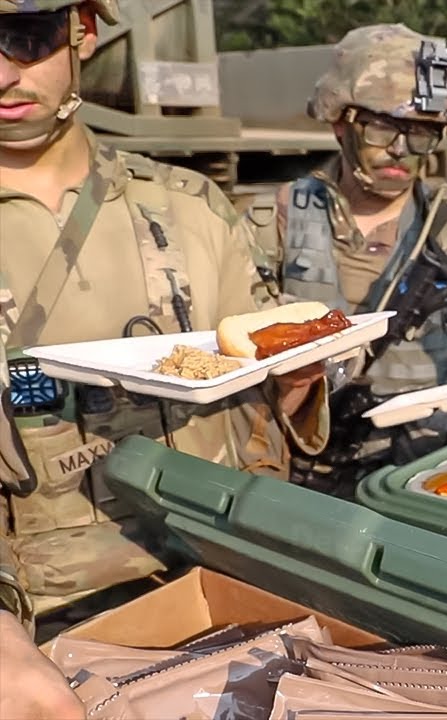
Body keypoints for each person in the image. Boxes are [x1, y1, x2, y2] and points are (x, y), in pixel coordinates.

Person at [0, 0, 328, 714]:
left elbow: (262, 425)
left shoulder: (192, 210)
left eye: (22, 38)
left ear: (81, 31)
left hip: (224, 581)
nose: (2, 72)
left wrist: (294, 390)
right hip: (48, 622)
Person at [242, 24, 447, 493]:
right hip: (303, 469)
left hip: (425, 471)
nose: (401, 150)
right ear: (341, 122)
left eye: (420, 133)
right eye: (383, 128)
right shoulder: (274, 220)